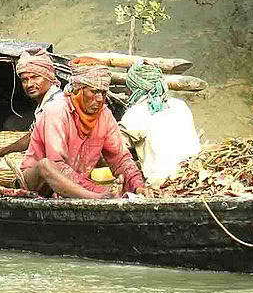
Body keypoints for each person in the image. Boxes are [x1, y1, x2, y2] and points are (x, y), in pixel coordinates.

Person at [19, 64, 149, 199]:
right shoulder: (57, 111)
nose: (100, 99)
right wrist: (98, 191)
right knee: (46, 165)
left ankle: (98, 196)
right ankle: (98, 198)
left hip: (76, 186)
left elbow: (120, 158)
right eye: (94, 92)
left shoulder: (105, 115)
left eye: (103, 93)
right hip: (37, 183)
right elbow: (57, 164)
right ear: (79, 91)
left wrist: (137, 185)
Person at [118, 60, 201, 186]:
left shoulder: (135, 113)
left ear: (132, 89)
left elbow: (116, 149)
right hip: (194, 175)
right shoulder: (180, 105)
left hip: (162, 182)